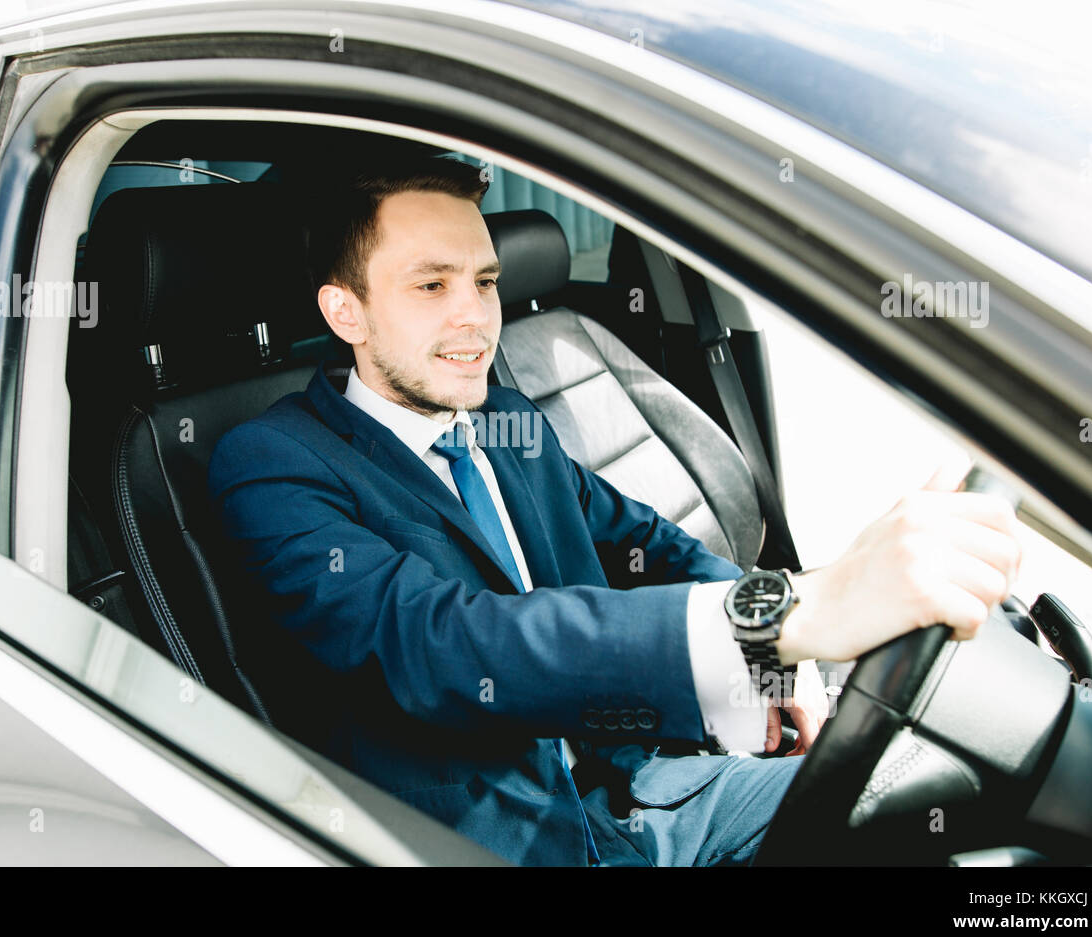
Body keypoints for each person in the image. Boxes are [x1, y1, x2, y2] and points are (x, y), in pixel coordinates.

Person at [207, 155, 1023, 866]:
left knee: (947, 805)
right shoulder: (274, 466)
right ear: (344, 310)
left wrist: (773, 669)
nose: (475, 316)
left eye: (485, 281)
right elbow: (445, 645)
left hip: (645, 784)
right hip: (495, 839)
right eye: (431, 285)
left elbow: (644, 544)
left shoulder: (503, 420)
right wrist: (779, 615)